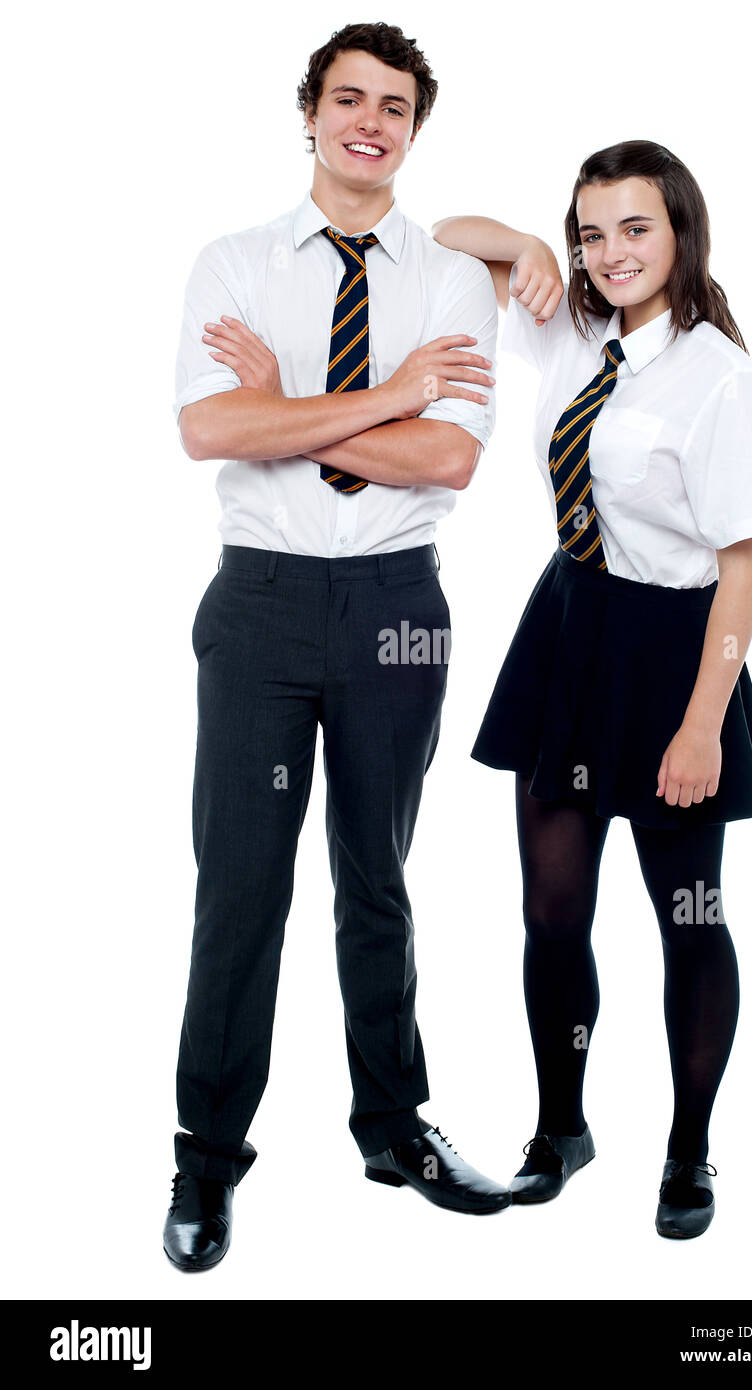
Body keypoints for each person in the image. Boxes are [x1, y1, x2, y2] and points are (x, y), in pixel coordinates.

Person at [163, 21, 511, 1273]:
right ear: (307, 112)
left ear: (415, 130)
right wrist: (386, 394)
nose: (370, 120)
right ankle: (207, 1160)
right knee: (240, 888)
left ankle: (392, 1126)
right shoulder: (235, 263)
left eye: (395, 105)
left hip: (397, 609)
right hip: (259, 607)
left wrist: (289, 411)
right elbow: (209, 430)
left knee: (379, 877)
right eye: (348, 98)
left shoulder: (451, 282)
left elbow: (450, 459)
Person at [432, 139, 752, 1238]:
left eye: (635, 227)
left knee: (688, 919)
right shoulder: (577, 330)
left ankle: (689, 1153)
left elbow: (743, 563)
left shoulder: (722, 378)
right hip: (569, 628)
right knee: (550, 911)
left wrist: (701, 725)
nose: (612, 251)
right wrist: (534, 246)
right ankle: (561, 1127)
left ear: (681, 228)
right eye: (592, 231)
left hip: (675, 650)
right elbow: (442, 241)